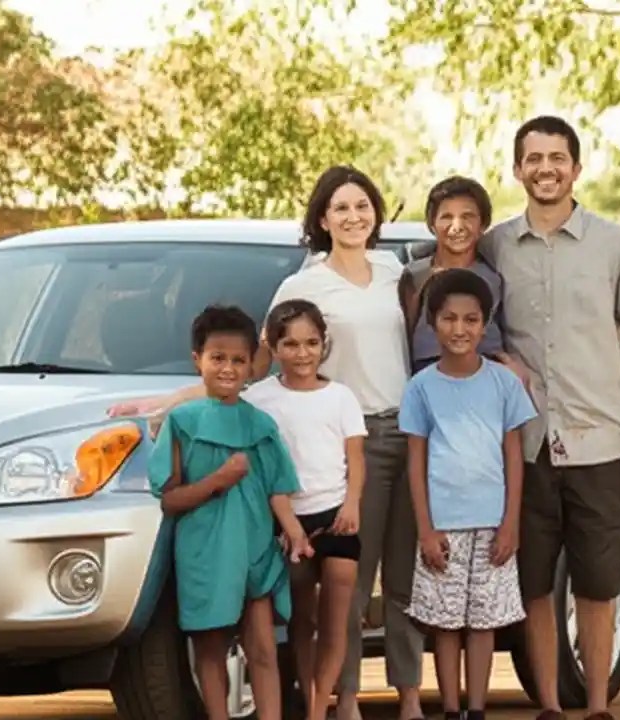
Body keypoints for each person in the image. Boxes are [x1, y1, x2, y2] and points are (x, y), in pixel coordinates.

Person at [111, 165, 427, 720]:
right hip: (344, 446)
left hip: (402, 427)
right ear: (322, 219)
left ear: (374, 212)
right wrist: (175, 400)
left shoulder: (389, 269)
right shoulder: (302, 285)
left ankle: (408, 697)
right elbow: (250, 367)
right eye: (340, 208)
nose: (353, 217)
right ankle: (343, 700)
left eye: (362, 206)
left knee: (404, 576)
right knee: (346, 586)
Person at [479, 115, 620, 720]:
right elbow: (476, 328)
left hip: (599, 439)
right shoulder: (496, 245)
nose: (545, 169)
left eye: (557, 158)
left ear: (576, 169)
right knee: (533, 579)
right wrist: (504, 358)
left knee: (598, 577)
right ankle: (552, 707)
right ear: (517, 170)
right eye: (533, 159)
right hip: (525, 442)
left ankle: (597, 705)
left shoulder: (616, 244)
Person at [148, 303, 314, 720]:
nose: (228, 368)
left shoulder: (260, 425)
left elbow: (278, 487)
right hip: (205, 552)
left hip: (256, 549)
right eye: (217, 358)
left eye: (238, 360)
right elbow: (169, 499)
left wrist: (294, 531)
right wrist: (218, 479)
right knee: (211, 646)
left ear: (252, 366)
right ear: (197, 360)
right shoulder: (182, 422)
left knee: (263, 647)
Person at [398, 268, 536, 720]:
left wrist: (511, 522)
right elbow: (415, 462)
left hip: (493, 523)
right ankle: (452, 708)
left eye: (471, 320)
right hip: (442, 525)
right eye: (449, 319)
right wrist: (425, 529)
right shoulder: (421, 388)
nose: (460, 329)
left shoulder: (503, 383)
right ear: (432, 323)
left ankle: (476, 707)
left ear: (484, 323)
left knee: (483, 622)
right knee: (445, 623)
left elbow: (513, 455)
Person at [243, 298, 366, 720]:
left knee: (337, 611)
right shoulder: (260, 400)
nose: (302, 353)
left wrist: (352, 504)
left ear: (323, 344)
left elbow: (357, 458)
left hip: (336, 514)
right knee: (302, 619)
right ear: (274, 348)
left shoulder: (341, 397)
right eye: (291, 344)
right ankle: (304, 689)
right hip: (286, 519)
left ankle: (318, 708)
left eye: (311, 343)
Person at [399, 176, 509, 375]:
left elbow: (500, 348)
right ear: (432, 224)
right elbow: (403, 336)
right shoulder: (414, 276)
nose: (457, 226)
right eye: (446, 217)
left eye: (467, 216)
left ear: (483, 224)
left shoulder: (493, 279)